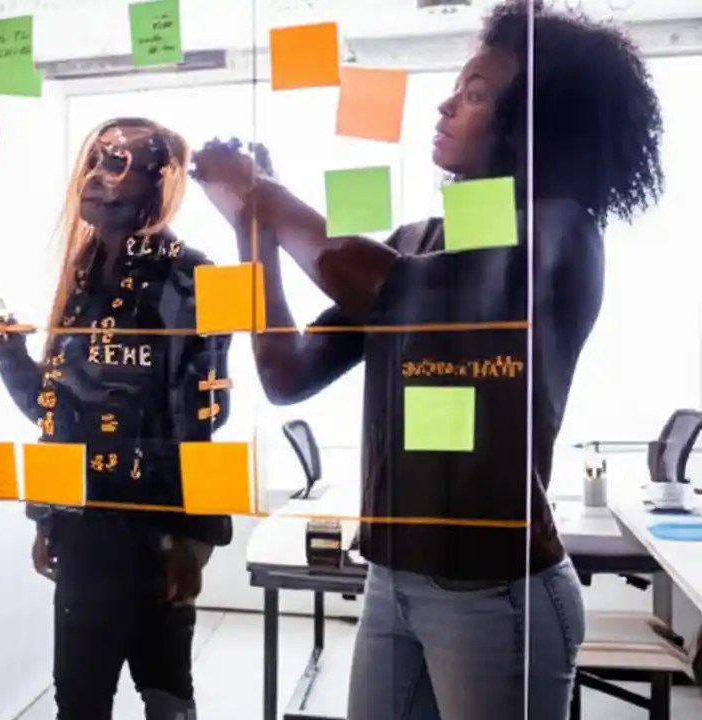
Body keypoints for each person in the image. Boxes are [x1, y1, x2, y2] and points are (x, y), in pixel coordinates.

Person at [191, 2, 663, 718]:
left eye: (475, 94)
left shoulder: (561, 234)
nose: (445, 106)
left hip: (498, 594)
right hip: (391, 579)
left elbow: (384, 288)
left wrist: (265, 195)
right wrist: (251, 227)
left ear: (532, 121)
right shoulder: (417, 241)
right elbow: (287, 372)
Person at [0, 118, 232, 720]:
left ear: (159, 182)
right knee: (80, 695)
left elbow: (209, 415)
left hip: (156, 527)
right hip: (87, 529)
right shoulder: (83, 274)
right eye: (94, 160)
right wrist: (11, 359)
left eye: (116, 163)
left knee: (165, 691)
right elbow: (57, 414)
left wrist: (195, 539)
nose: (95, 176)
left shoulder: (202, 276)